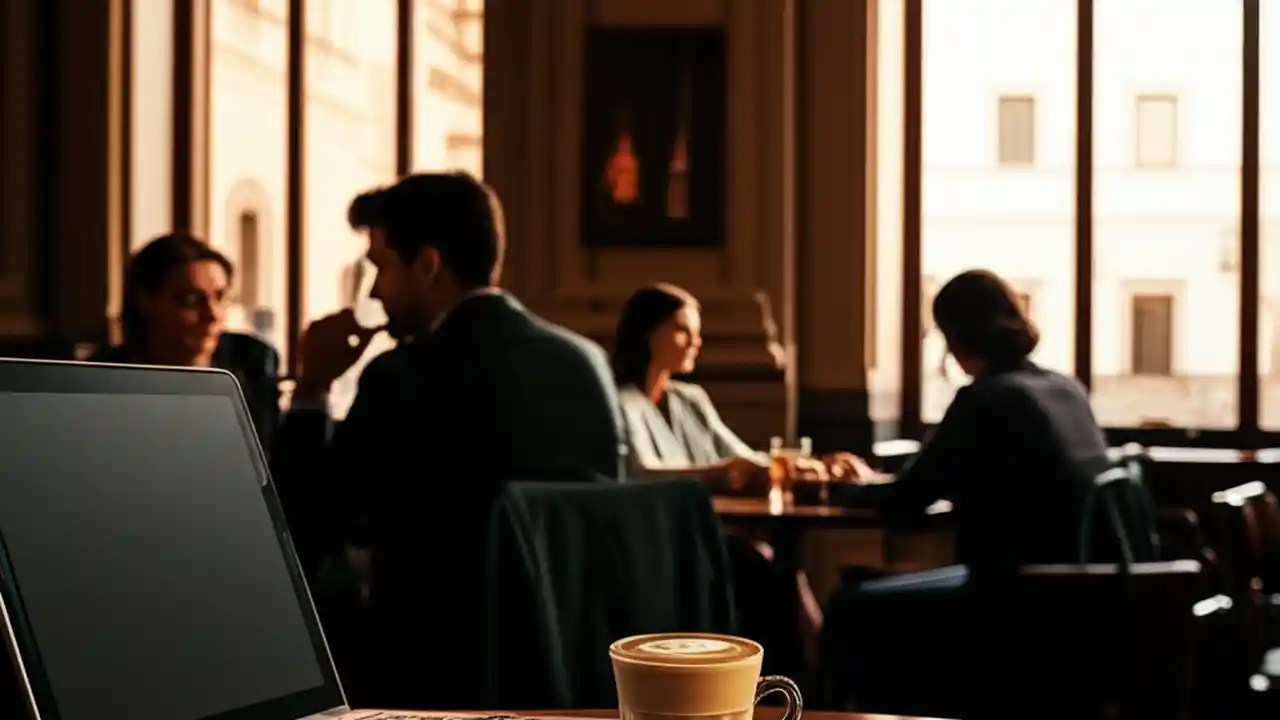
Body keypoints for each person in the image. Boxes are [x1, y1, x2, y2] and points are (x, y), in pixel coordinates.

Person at [270, 172, 624, 708]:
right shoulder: (587, 363)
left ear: (428, 264)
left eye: (381, 267)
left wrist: (313, 386)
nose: (373, 291)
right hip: (572, 671)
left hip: (431, 680)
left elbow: (305, 528)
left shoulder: (403, 375)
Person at [821, 269, 1112, 716]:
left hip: (1013, 605)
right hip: (1082, 599)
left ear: (955, 335)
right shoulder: (1064, 389)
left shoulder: (984, 400)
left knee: (850, 610)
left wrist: (839, 489)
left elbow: (906, 504)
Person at [613, 282, 855, 489]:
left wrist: (814, 465)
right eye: (682, 330)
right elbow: (638, 474)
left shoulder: (690, 398)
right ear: (647, 331)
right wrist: (717, 473)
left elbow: (741, 456)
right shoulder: (624, 404)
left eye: (697, 333)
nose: (695, 342)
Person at [92, 233, 281, 448]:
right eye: (191, 300)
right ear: (146, 301)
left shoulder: (251, 361)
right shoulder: (104, 376)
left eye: (220, 297)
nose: (213, 315)